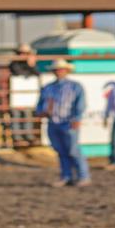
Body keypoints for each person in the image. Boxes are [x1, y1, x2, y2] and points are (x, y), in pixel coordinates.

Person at [37, 59, 88, 187]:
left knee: (73, 150)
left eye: (61, 69)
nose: (58, 72)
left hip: (68, 122)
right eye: (56, 69)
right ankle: (67, 176)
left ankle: (83, 176)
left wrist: (77, 118)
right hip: (53, 122)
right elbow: (39, 105)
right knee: (61, 151)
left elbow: (80, 105)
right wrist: (41, 112)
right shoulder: (48, 87)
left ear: (66, 70)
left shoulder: (75, 86)